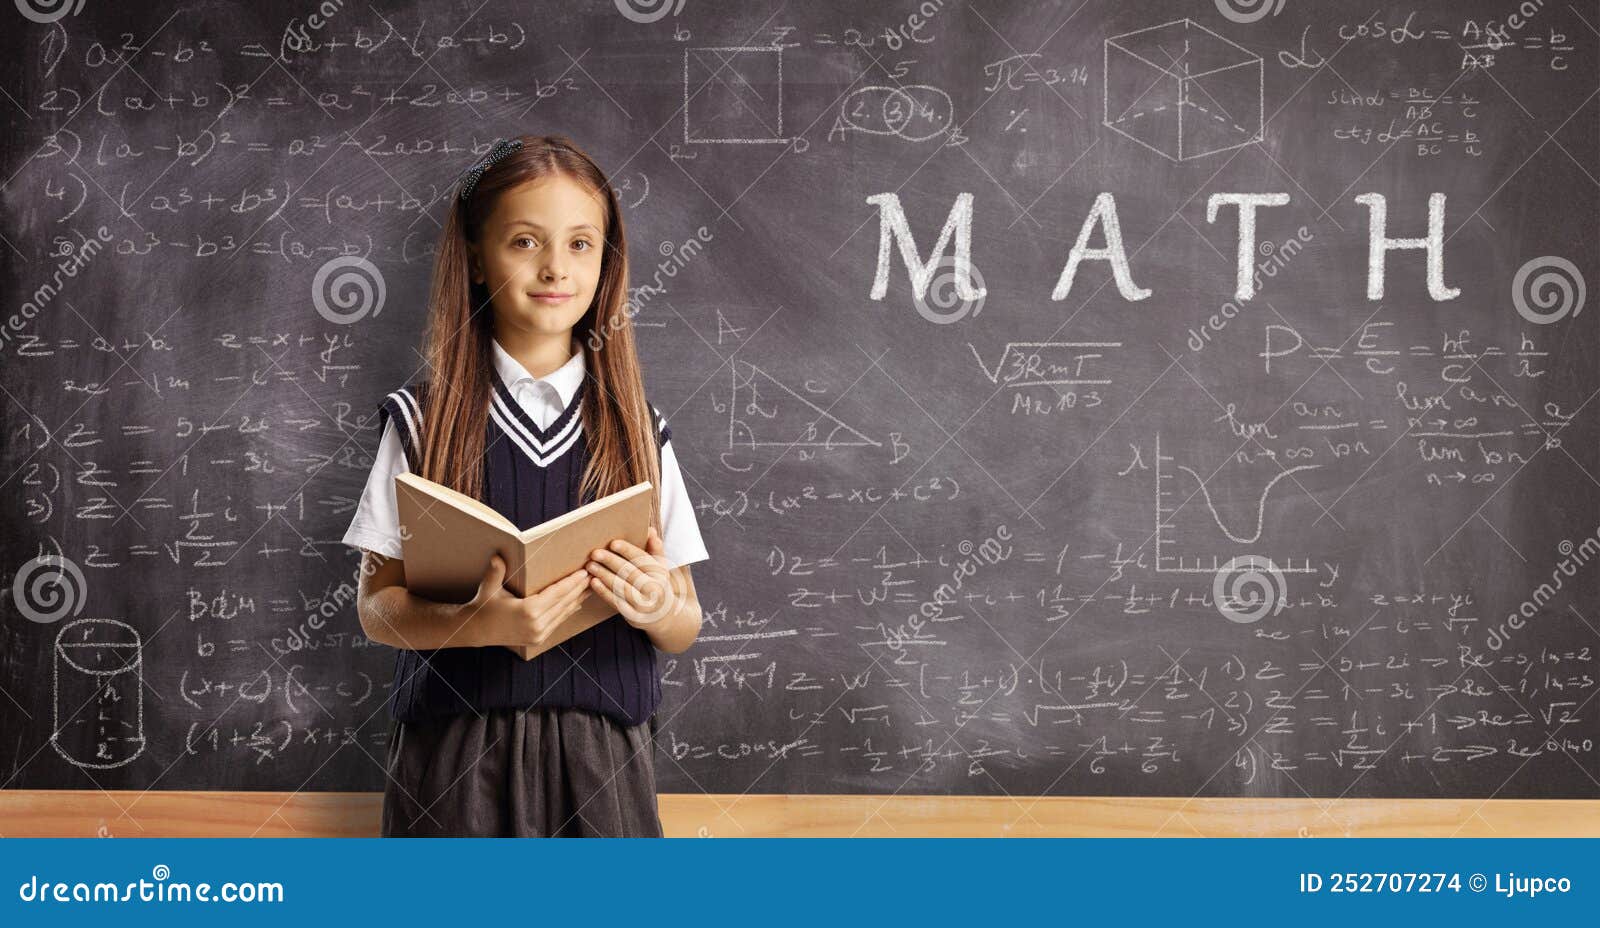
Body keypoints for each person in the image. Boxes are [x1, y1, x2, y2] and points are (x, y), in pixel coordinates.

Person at [341, 135, 710, 837]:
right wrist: (489, 624)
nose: (554, 268)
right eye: (523, 242)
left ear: (607, 263)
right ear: (477, 258)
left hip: (602, 758)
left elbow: (684, 621)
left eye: (580, 244)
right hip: (451, 759)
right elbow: (376, 608)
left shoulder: (638, 426)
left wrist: (657, 603)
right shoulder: (422, 421)